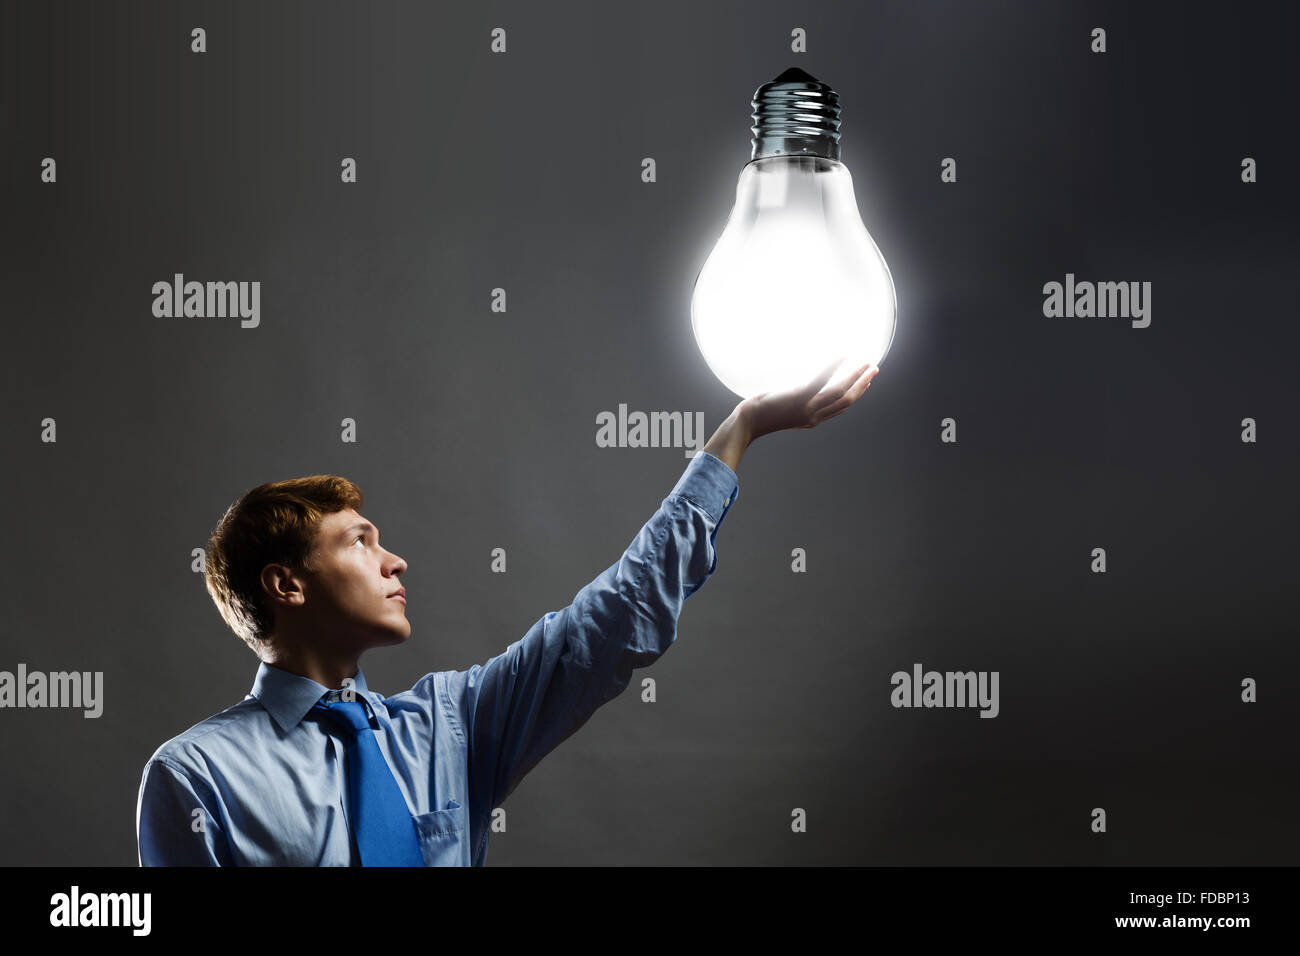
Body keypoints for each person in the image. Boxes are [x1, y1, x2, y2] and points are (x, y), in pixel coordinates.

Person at [135, 359, 880, 866]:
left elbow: (613, 619)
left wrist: (737, 433)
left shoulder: (448, 728)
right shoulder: (196, 776)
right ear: (287, 586)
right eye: (361, 543)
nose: (396, 562)